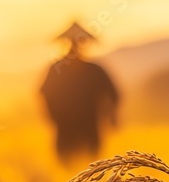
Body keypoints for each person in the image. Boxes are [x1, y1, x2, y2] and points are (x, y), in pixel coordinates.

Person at [40, 22, 120, 160]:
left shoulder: (95, 70)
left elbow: (113, 94)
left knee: (90, 167)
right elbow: (45, 93)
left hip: (89, 128)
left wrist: (111, 116)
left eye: (78, 43)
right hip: (65, 128)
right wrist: (52, 116)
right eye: (71, 43)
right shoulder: (56, 70)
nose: (74, 48)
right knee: (68, 169)